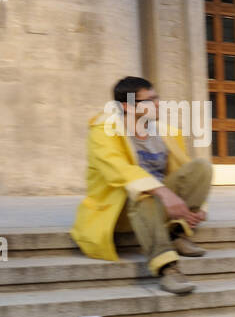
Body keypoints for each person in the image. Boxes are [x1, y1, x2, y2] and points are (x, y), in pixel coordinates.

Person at [70, 76, 212, 295]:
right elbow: (118, 170)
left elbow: (180, 172)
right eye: (149, 100)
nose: (157, 104)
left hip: (159, 204)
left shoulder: (165, 132)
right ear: (127, 105)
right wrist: (163, 192)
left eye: (156, 98)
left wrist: (198, 207)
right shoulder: (103, 130)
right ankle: (167, 266)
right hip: (121, 211)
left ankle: (175, 232)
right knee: (145, 194)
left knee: (201, 167)